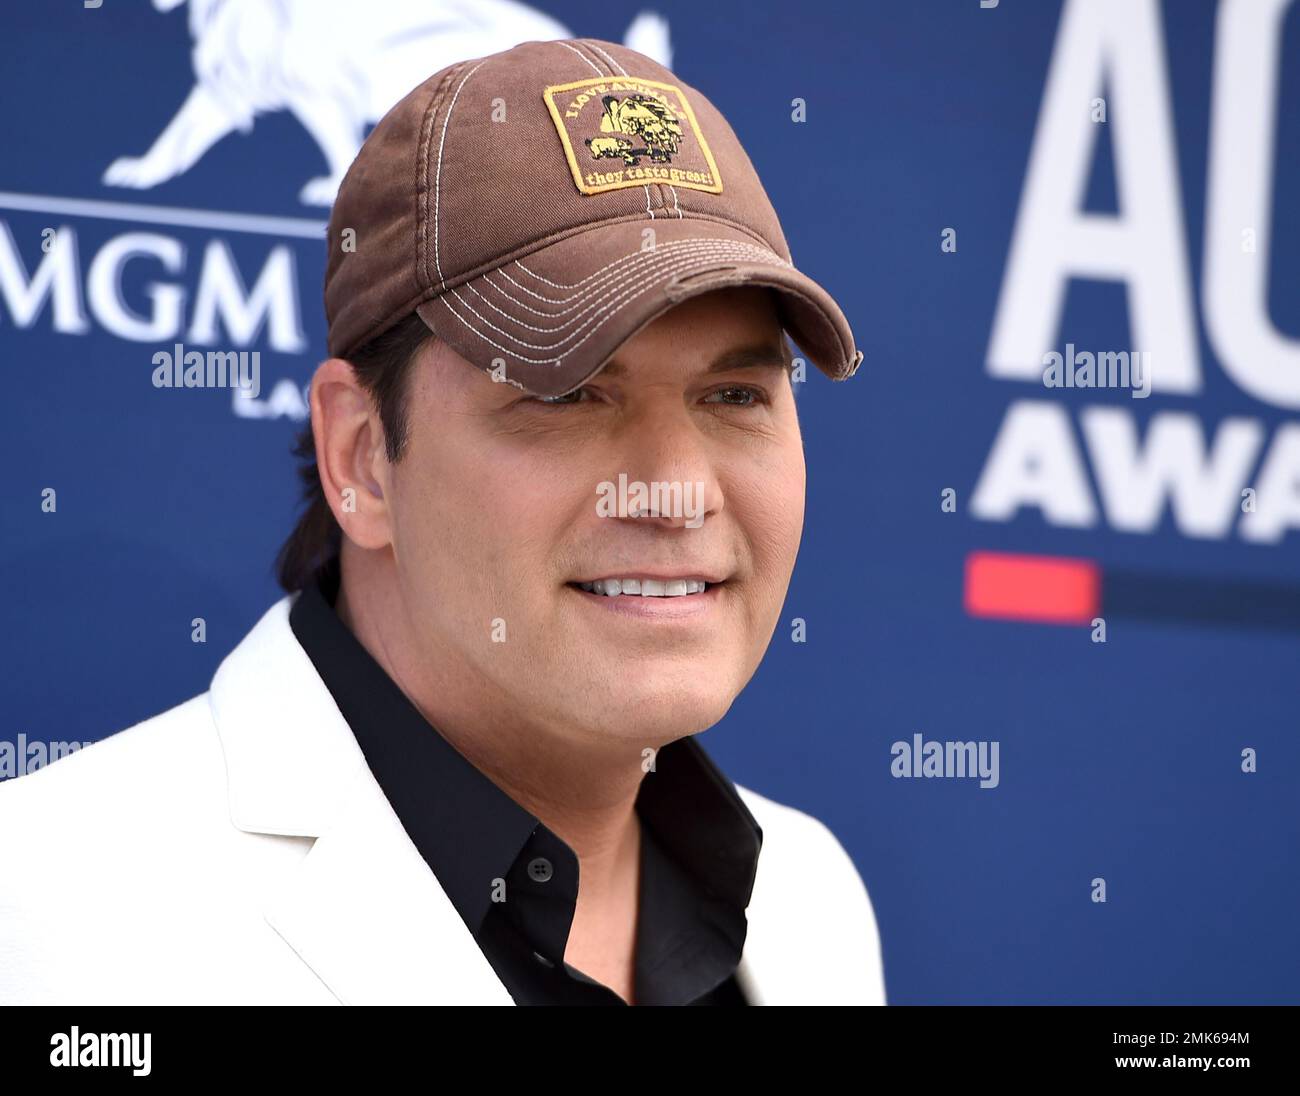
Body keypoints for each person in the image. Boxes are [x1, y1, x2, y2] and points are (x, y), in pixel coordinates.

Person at [0, 37, 882, 1006]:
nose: (676, 491)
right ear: (360, 455)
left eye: (732, 396)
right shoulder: (46, 910)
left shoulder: (812, 900)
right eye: (571, 396)